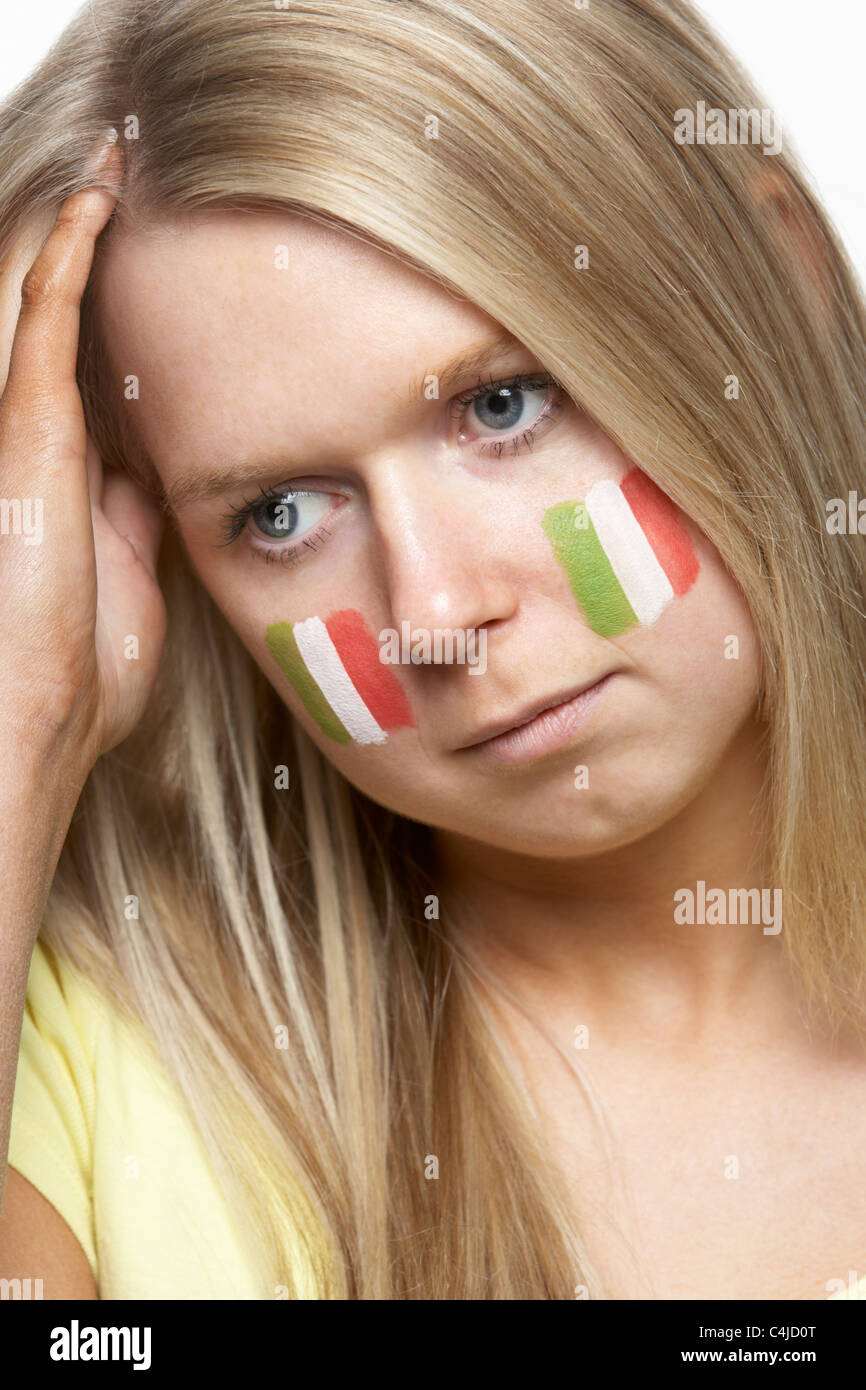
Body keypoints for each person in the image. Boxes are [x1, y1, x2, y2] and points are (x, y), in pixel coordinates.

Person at [1, 0, 865, 1301]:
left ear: (779, 278)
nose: (435, 611)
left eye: (501, 404)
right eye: (278, 513)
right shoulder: (95, 1058)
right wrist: (20, 713)